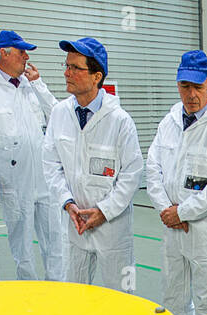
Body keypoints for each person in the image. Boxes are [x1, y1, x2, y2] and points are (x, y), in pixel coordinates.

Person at [145, 50, 207, 315]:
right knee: (173, 298)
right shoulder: (169, 123)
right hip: (172, 230)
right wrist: (166, 210)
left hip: (206, 234)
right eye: (185, 86)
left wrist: (181, 212)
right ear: (178, 85)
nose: (191, 94)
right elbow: (153, 168)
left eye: (198, 87)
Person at [42, 38, 143, 291]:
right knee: (74, 297)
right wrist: (67, 202)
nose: (67, 73)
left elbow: (132, 174)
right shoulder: (59, 114)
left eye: (76, 68)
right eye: (66, 66)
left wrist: (104, 211)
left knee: (123, 297)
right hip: (75, 224)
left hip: (113, 228)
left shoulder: (120, 121)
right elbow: (51, 163)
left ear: (97, 76)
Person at [0, 30, 66, 281]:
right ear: (4, 53)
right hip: (12, 179)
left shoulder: (30, 85)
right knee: (21, 243)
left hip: (43, 176)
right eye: (21, 52)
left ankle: (57, 288)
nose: (26, 57)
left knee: (55, 238)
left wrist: (38, 84)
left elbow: (59, 116)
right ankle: (29, 292)